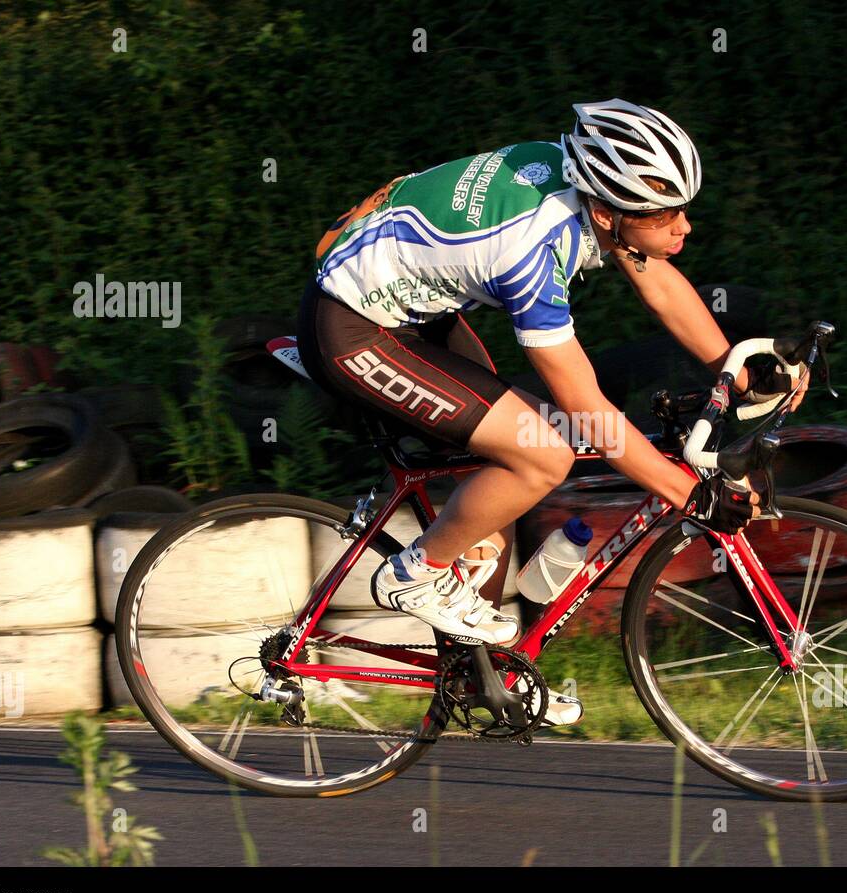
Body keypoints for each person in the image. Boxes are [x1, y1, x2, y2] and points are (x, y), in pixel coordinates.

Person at [295, 99, 808, 725]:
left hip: (412, 309)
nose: (684, 227)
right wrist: (686, 492)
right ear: (604, 209)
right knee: (545, 450)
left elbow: (657, 279)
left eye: (682, 209)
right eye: (666, 213)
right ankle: (413, 571)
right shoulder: (531, 250)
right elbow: (585, 403)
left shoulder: (585, 183)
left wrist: (734, 364)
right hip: (355, 330)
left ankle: (483, 683)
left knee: (509, 457)